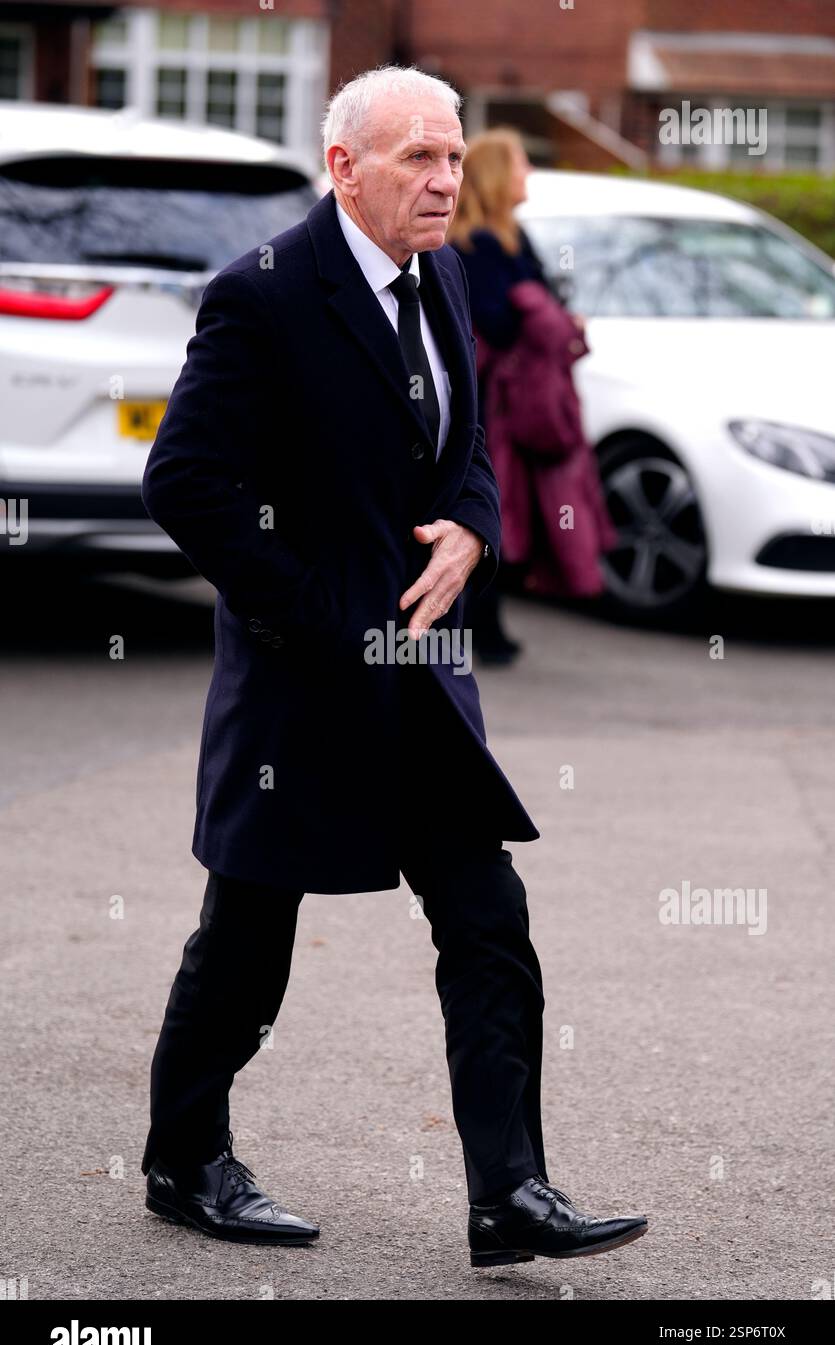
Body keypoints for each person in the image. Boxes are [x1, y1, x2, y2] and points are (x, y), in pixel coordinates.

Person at [139, 65, 647, 1266]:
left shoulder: (446, 272)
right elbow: (185, 483)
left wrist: (473, 519)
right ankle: (182, 1158)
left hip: (421, 673)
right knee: (249, 935)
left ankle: (508, 1192)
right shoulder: (261, 296)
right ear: (343, 167)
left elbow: (464, 444)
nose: (442, 179)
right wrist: (313, 612)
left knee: (486, 915)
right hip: (300, 681)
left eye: (453, 156)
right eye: (416, 158)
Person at [449, 129, 616, 635]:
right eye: (521, 163)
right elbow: (498, 322)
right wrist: (552, 318)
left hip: (510, 401)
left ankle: (486, 622)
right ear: (498, 175)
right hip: (496, 404)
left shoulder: (506, 236)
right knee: (495, 502)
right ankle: (482, 624)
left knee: (508, 505)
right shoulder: (479, 243)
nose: (529, 174)